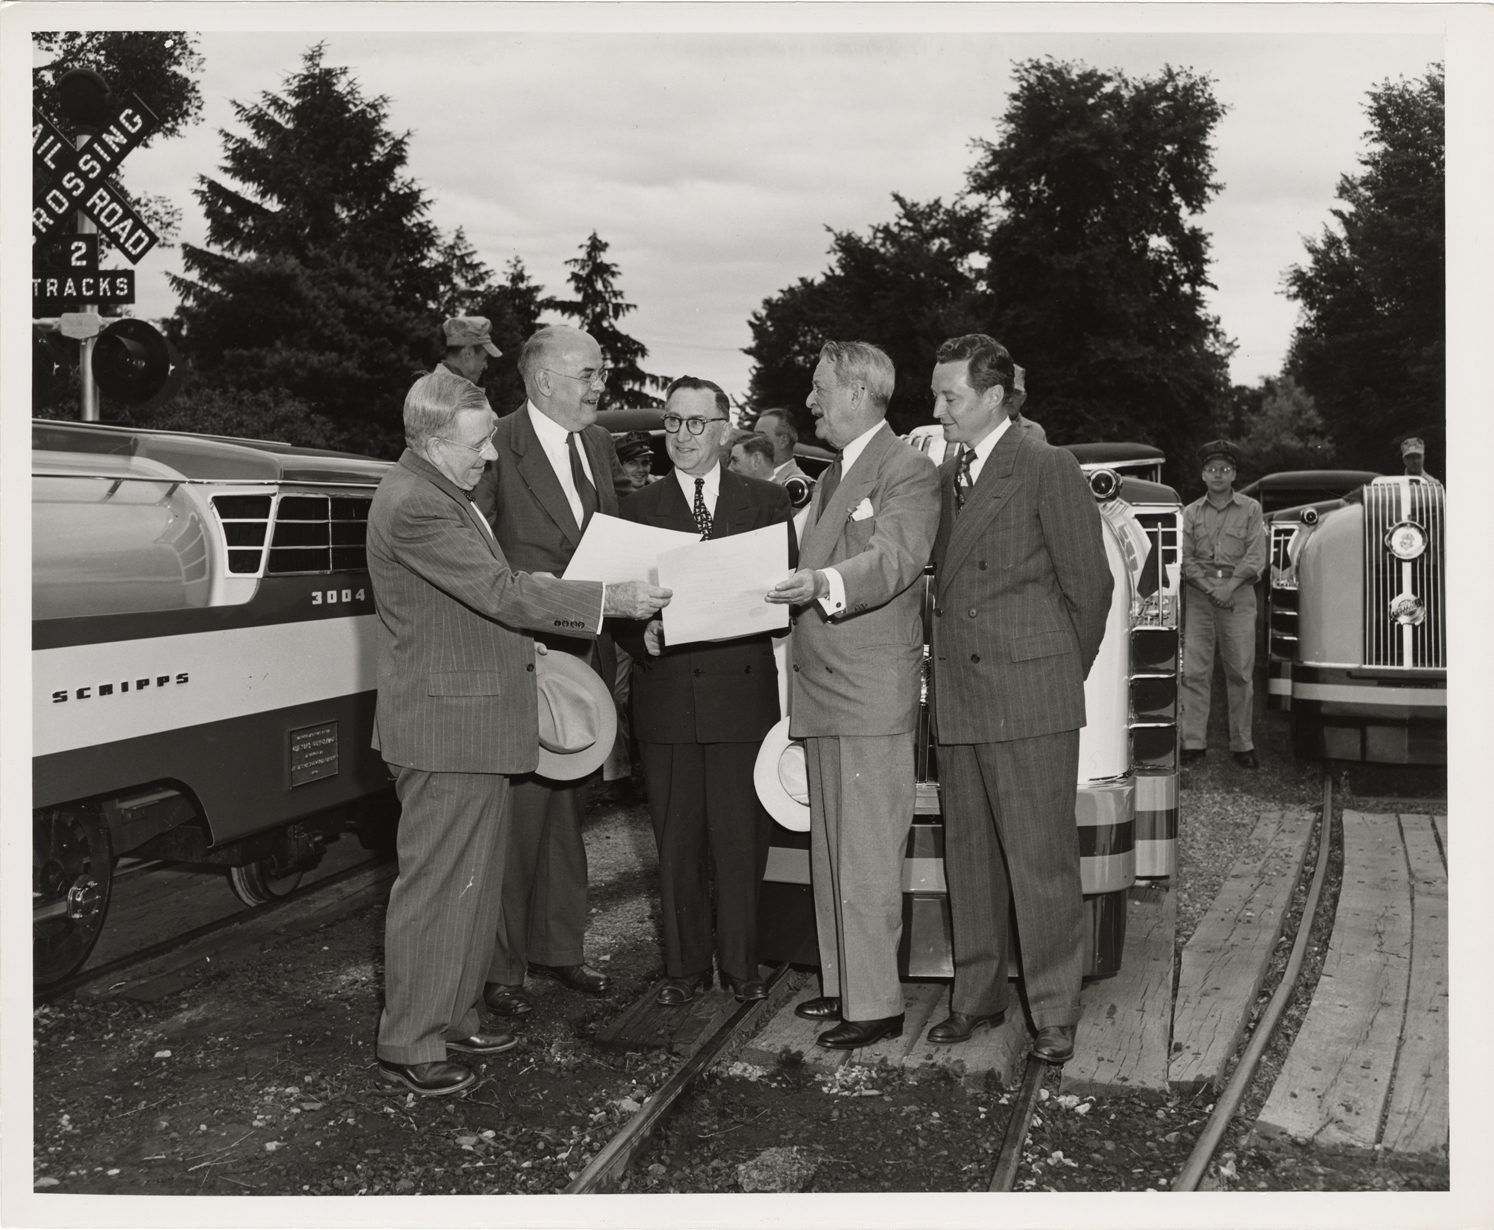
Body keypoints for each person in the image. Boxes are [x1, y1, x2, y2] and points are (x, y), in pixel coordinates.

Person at [366, 368, 668, 1096]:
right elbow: (500, 593)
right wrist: (610, 599)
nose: (493, 456)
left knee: (471, 890)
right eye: (479, 444)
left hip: (467, 722)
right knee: (440, 889)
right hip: (446, 730)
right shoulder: (418, 506)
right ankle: (410, 1039)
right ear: (436, 441)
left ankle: (456, 1013)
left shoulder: (445, 491)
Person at [925, 333, 1113, 1065]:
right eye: (938, 395)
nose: (938, 409)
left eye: (951, 397)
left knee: (1039, 860)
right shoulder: (945, 474)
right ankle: (976, 997)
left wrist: (1054, 669)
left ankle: (1055, 1011)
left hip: (1029, 696)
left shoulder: (1046, 465)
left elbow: (1088, 589)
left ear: (994, 397)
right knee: (969, 854)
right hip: (962, 696)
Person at [765, 341, 940, 1050]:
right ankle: (843, 987)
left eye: (819, 389)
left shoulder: (908, 470)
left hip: (868, 691)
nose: (810, 403)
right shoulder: (836, 471)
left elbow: (896, 559)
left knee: (866, 853)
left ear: (861, 391)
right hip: (827, 688)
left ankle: (875, 1005)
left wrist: (821, 586)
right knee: (833, 849)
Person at [617, 377, 794, 1006]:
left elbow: (784, 599)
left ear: (724, 429)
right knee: (677, 841)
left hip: (740, 698)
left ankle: (743, 969)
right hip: (666, 699)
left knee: (741, 840)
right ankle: (682, 970)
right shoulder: (635, 510)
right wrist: (644, 640)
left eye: (696, 423)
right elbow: (614, 609)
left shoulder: (766, 504)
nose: (683, 436)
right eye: (672, 422)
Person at [469, 325, 625, 1017]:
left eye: (600, 373)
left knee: (569, 809)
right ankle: (500, 969)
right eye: (588, 374)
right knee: (517, 817)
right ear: (541, 381)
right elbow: (479, 564)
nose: (600, 386)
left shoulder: (596, 442)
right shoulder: (493, 445)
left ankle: (558, 948)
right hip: (523, 657)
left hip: (586, 658)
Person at [1179, 439, 1267, 770]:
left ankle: (1242, 744)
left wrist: (1228, 587)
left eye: (1225, 469)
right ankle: (1193, 742)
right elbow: (1184, 558)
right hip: (1201, 597)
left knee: (1240, 672)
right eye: (1212, 469)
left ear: (1234, 474)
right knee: (1196, 672)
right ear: (1203, 475)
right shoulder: (1190, 513)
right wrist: (1209, 588)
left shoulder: (1251, 509)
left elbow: (1256, 555)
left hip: (1238, 594)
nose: (1218, 475)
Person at [755, 409, 812, 486]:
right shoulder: (756, 475)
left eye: (760, 436)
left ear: (783, 441)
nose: (753, 442)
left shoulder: (797, 485)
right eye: (754, 436)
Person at [439, 316, 502, 386]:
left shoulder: (435, 383)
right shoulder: (453, 390)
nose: (486, 366)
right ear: (469, 352)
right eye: (485, 358)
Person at [615, 430, 656, 495]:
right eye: (632, 463)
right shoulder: (612, 499)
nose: (640, 469)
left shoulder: (659, 492)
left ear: (650, 466)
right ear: (620, 468)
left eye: (644, 463)